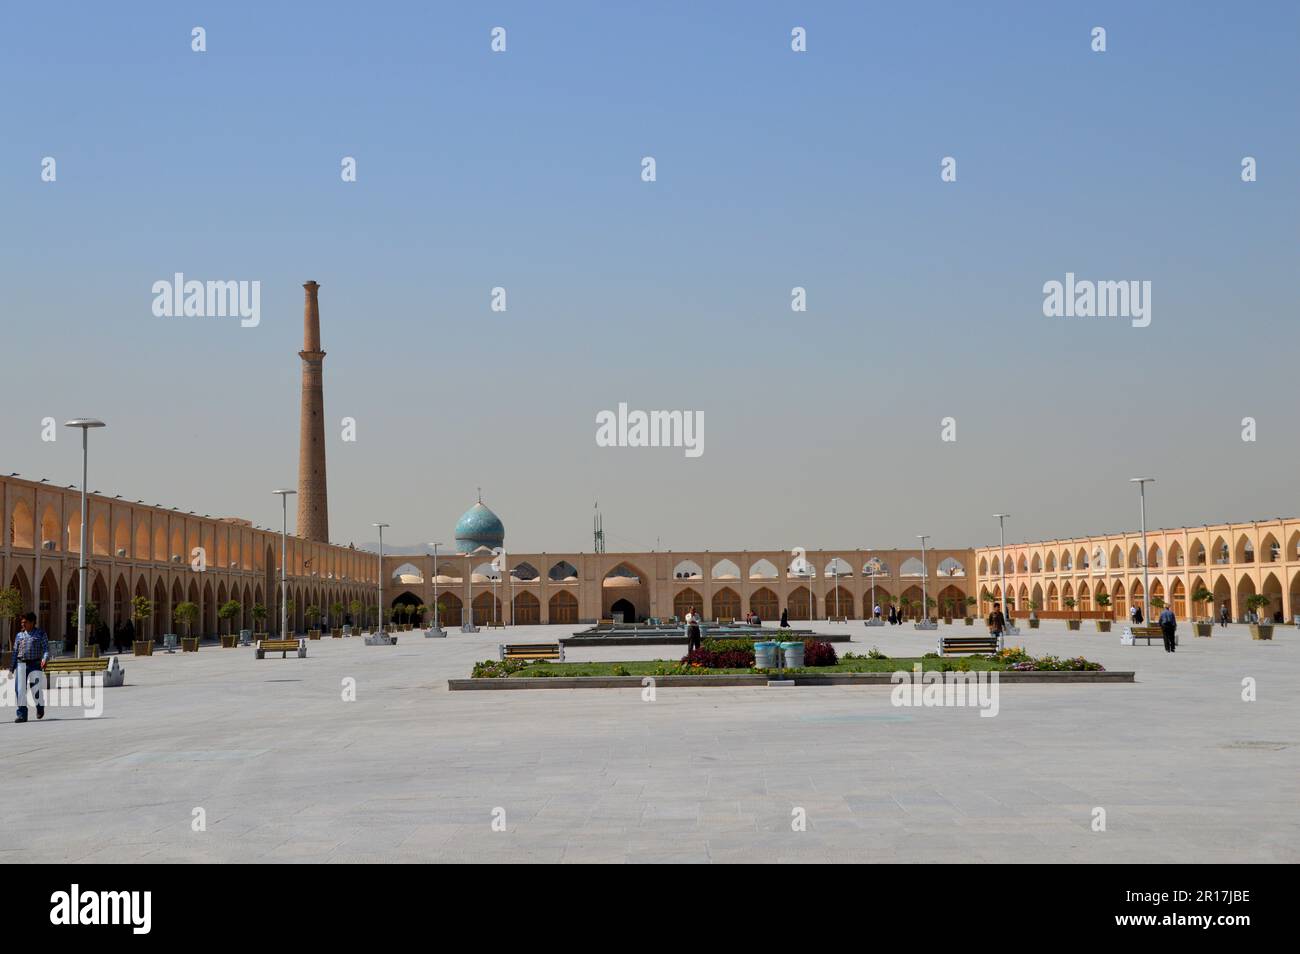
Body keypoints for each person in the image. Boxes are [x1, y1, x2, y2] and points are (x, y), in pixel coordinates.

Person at [9, 612, 48, 723]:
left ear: (32, 622)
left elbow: (45, 649)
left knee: (35, 689)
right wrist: (11, 667)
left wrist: (44, 659)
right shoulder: (19, 635)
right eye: (22, 622)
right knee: (20, 690)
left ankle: (40, 707)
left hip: (35, 664)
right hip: (21, 664)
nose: (23, 624)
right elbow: (15, 652)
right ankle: (22, 714)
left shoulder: (41, 633)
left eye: (25, 622)